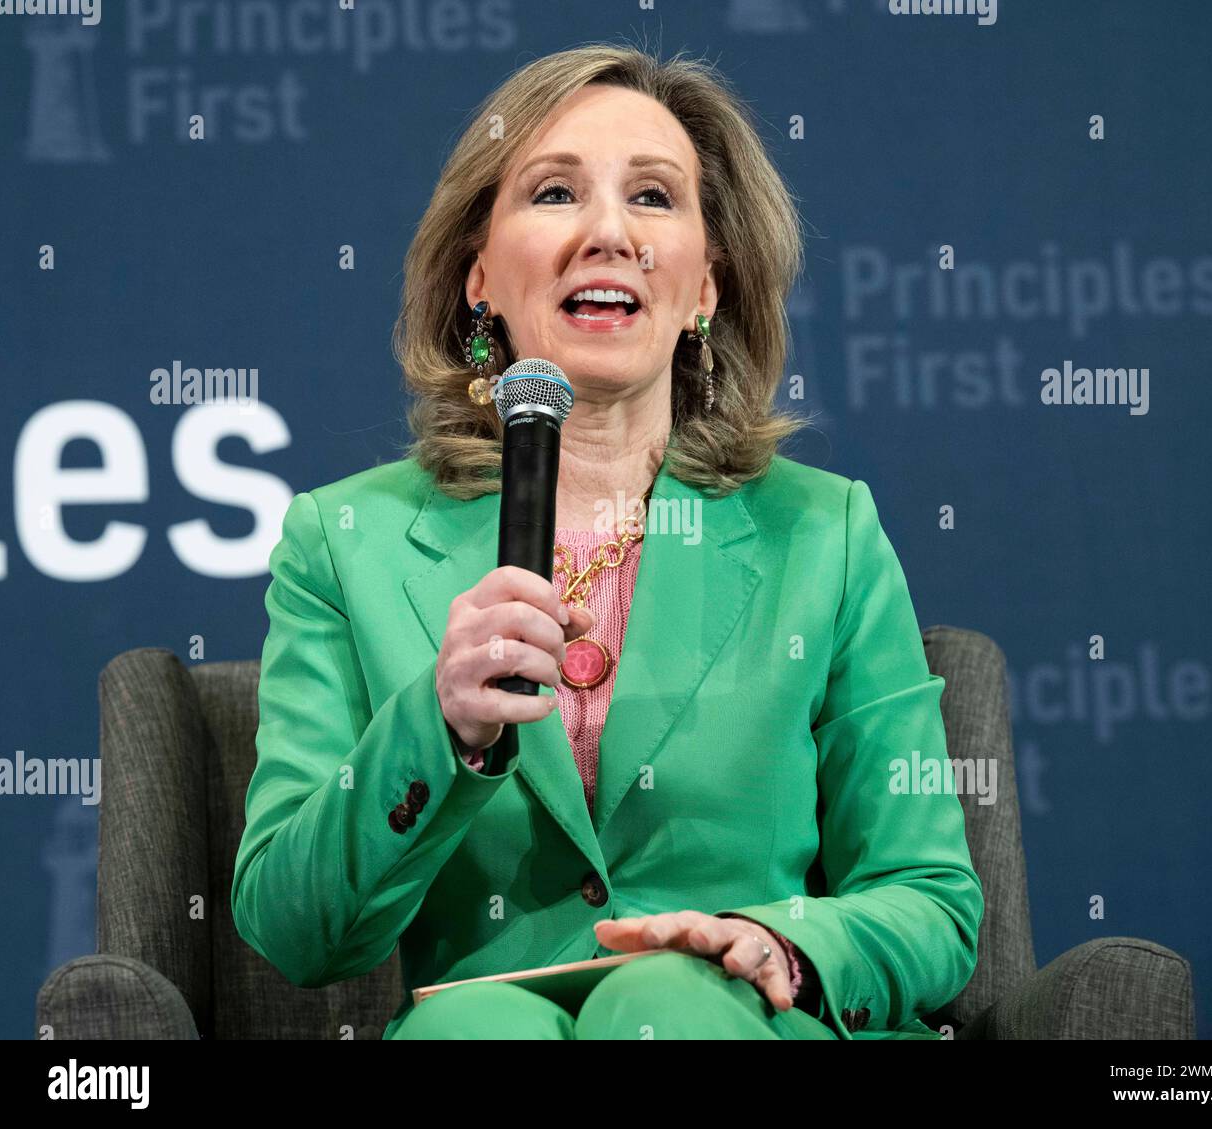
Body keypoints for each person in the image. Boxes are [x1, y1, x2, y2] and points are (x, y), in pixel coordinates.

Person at [231, 43, 983, 1041]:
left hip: (739, 1021)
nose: (608, 232)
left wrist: (783, 944)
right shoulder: (343, 541)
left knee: (661, 1002)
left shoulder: (823, 533)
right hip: (480, 1023)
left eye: (654, 197)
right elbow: (293, 928)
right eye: (554, 193)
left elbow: (927, 897)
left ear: (705, 287)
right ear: (478, 277)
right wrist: (439, 724)